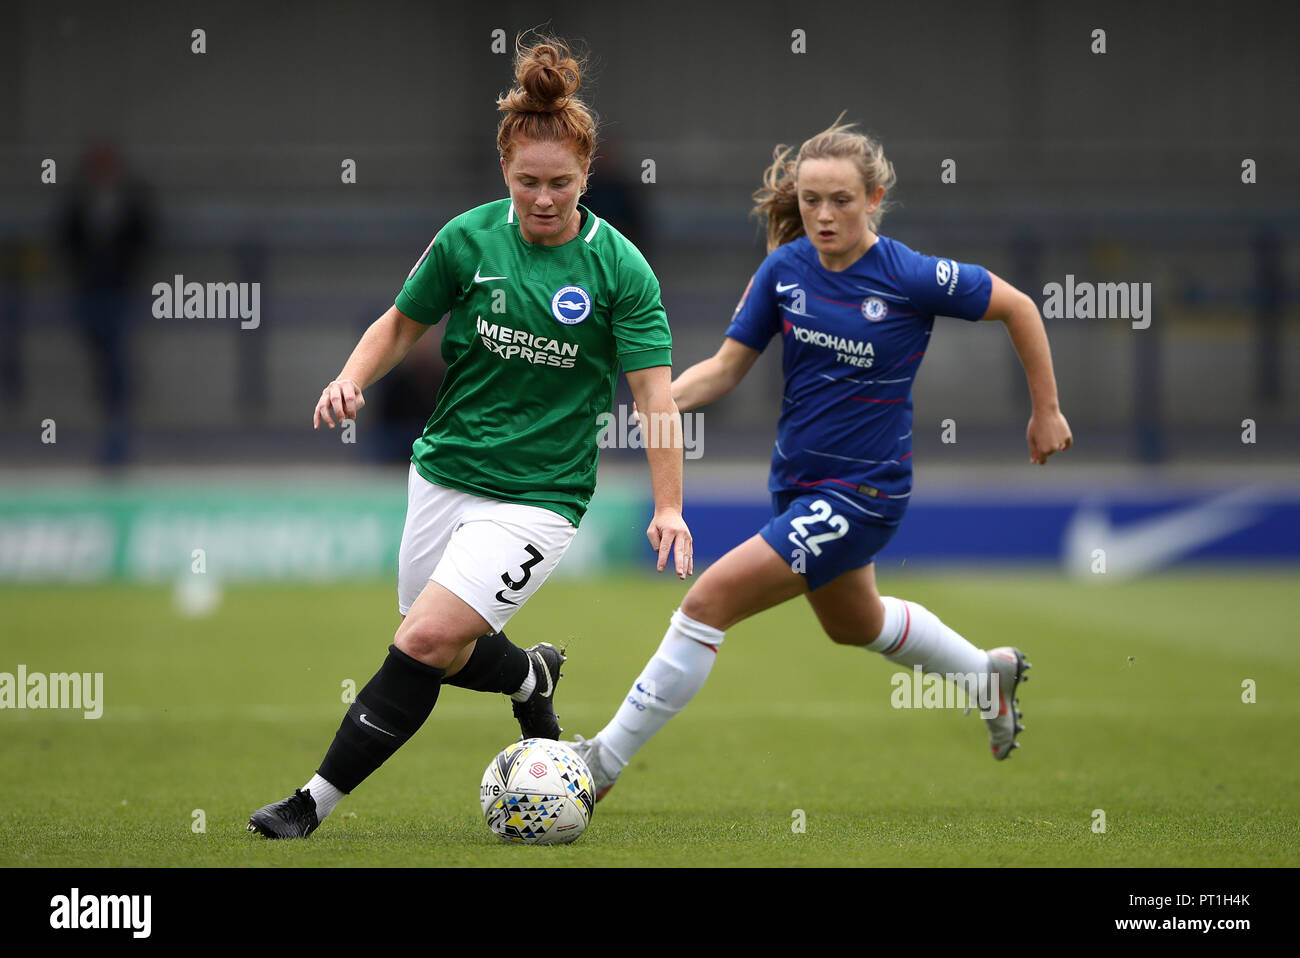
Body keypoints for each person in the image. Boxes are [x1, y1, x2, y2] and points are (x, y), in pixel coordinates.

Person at [248, 35, 692, 839]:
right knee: (442, 651)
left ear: (587, 174)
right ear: (505, 172)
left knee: (422, 638)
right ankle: (529, 677)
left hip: (539, 496)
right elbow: (398, 324)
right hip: (443, 471)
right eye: (529, 182)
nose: (545, 198)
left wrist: (669, 505)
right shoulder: (467, 240)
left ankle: (311, 803)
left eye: (561, 182)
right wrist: (351, 378)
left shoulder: (620, 270)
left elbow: (654, 396)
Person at [568, 118, 1073, 800]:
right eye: (811, 200)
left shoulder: (911, 275)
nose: (824, 214)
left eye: (840, 199)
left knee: (707, 601)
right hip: (797, 487)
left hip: (864, 493)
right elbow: (723, 369)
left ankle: (600, 763)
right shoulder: (785, 269)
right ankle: (985, 674)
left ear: (875, 196)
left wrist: (1045, 410)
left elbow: (1018, 306)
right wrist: (654, 403)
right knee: (853, 624)